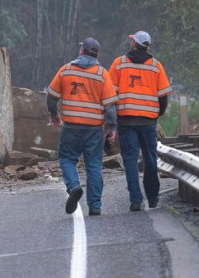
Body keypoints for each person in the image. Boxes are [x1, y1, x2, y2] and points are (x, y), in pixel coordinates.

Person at [47, 37, 118, 216]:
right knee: (93, 165)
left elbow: (51, 96)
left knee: (66, 159)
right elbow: (109, 106)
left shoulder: (66, 70)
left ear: (81, 51)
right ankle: (95, 206)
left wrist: (54, 115)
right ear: (97, 54)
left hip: (71, 127)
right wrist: (113, 128)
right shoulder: (102, 74)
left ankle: (73, 187)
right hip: (94, 129)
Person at [107, 31, 172, 211]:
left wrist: (112, 120)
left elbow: (110, 95)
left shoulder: (119, 64)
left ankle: (136, 199)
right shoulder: (156, 66)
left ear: (134, 44)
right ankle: (153, 197)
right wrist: (157, 114)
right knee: (150, 159)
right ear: (147, 47)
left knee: (130, 160)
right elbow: (164, 97)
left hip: (126, 121)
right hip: (148, 122)